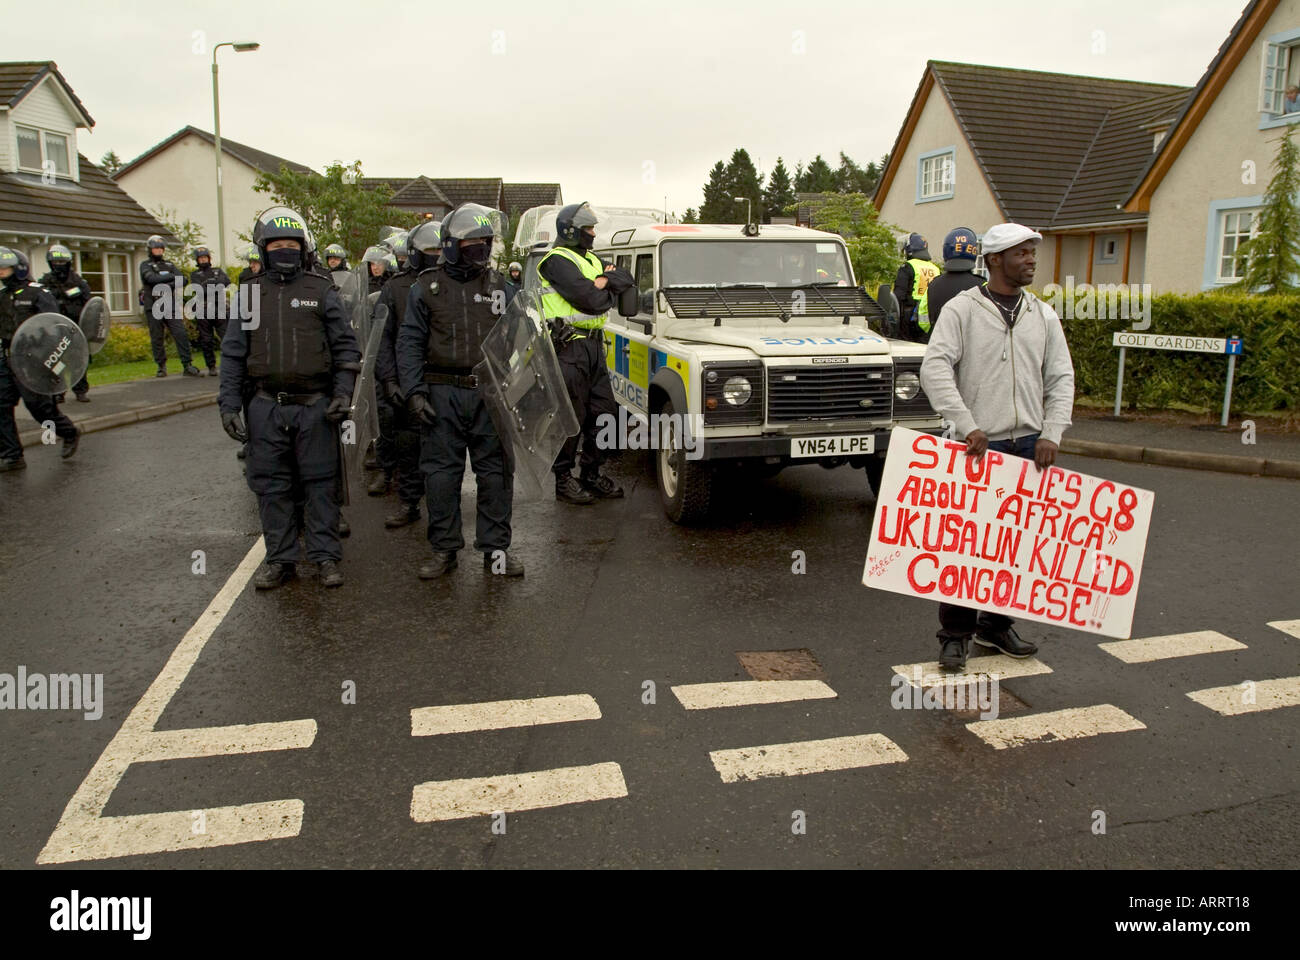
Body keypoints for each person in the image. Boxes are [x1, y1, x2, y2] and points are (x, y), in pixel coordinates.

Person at [919, 223, 1075, 671]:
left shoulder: (1042, 314)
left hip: (1028, 445)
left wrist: (1052, 432)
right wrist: (964, 423)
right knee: (964, 544)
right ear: (994, 260)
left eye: (1032, 253)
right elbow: (935, 368)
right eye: (1021, 253)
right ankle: (954, 635)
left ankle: (996, 626)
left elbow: (1060, 377)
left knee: (1012, 546)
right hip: (975, 447)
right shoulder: (961, 310)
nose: (1031, 260)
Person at [218, 207, 360, 590]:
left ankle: (325, 557)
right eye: (276, 244)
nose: (285, 250)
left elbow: (347, 351)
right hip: (265, 407)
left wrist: (342, 395)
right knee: (272, 487)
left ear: (304, 248)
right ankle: (281, 560)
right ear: (263, 250)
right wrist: (229, 405)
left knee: (320, 485)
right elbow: (232, 354)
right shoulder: (248, 293)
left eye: (291, 244)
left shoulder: (322, 290)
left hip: (314, 407)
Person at [397, 202, 522, 579]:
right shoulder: (426, 289)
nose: (480, 248)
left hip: (491, 394)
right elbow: (409, 343)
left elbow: (522, 338)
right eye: (472, 242)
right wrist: (414, 392)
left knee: (496, 475)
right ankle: (444, 550)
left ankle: (496, 551)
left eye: (485, 241)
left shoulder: (502, 286)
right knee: (440, 476)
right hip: (441, 394)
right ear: (451, 244)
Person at [538, 201, 635, 504]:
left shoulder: (592, 258)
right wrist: (607, 285)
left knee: (606, 414)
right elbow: (589, 300)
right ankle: (563, 479)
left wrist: (604, 281)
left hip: (595, 346)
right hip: (569, 347)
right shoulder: (555, 260)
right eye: (588, 229)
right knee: (572, 417)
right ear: (571, 231)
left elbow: (627, 278)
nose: (593, 233)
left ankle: (591, 473)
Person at [0, 247, 80, 469]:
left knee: (39, 408)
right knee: (1, 406)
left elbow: (53, 326)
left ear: (18, 268)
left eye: (4, 268)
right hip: (7, 359)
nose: (0, 272)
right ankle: (12, 455)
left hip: (33, 360)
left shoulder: (38, 293)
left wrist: (51, 360)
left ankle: (69, 432)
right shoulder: (2, 296)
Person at [372, 225, 430, 525]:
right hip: (404, 381)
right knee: (407, 446)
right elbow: (382, 339)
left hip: (439, 382)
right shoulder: (394, 289)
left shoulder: (450, 284)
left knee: (440, 452)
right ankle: (409, 503)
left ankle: (441, 503)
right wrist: (389, 379)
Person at [140, 235, 200, 378]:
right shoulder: (145, 265)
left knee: (180, 333)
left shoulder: (170, 264)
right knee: (157, 337)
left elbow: (183, 279)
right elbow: (151, 279)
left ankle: (187, 365)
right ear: (150, 249)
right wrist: (172, 278)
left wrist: (166, 285)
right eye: (156, 248)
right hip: (153, 305)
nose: (159, 251)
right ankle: (161, 367)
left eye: (161, 248)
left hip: (169, 304)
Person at [39, 244, 93, 401]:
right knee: (57, 362)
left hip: (75, 328)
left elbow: (89, 304)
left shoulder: (78, 281)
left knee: (78, 361)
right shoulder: (45, 283)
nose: (59, 265)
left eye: (62, 262)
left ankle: (81, 391)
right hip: (55, 330)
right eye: (56, 262)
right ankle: (58, 392)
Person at [922, 228, 983, 340]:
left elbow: (923, 322)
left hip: (940, 346)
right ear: (974, 252)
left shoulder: (933, 285)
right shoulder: (983, 285)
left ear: (945, 252)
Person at [190, 246, 230, 377]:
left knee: (226, 338)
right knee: (207, 340)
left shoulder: (218, 271)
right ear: (197, 260)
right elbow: (199, 290)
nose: (203, 260)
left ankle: (229, 365)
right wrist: (214, 284)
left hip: (220, 309)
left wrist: (208, 284)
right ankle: (211, 366)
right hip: (203, 309)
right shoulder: (195, 274)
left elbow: (226, 282)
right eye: (200, 258)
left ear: (209, 258)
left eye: (205, 257)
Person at [893, 233, 940, 343]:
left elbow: (899, 295)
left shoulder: (908, 266)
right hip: (928, 316)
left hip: (909, 317)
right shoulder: (935, 268)